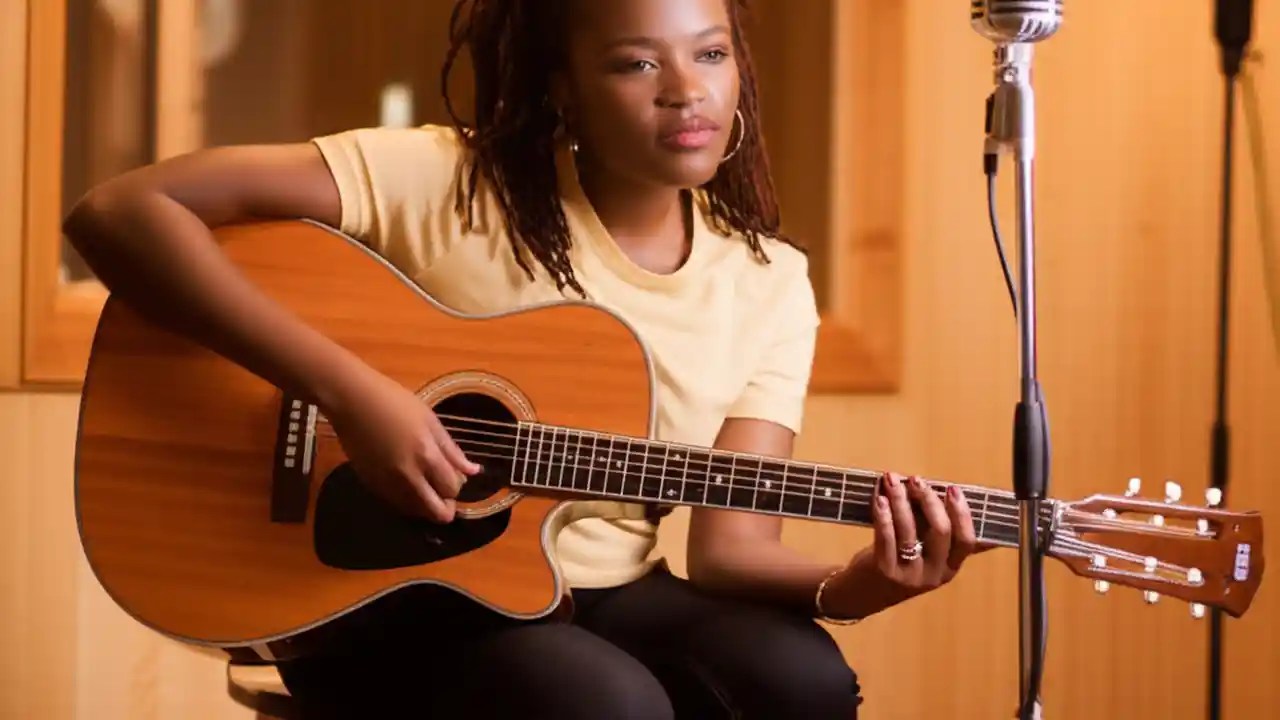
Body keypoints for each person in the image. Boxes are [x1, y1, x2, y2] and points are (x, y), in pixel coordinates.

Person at [63, 0, 979, 716]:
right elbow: (119, 213)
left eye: (710, 53)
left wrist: (860, 584)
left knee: (801, 682)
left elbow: (732, 551)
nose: (685, 90)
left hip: (598, 592)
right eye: (635, 62)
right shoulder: (446, 181)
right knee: (602, 703)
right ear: (562, 85)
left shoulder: (770, 283)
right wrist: (346, 391)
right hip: (382, 589)